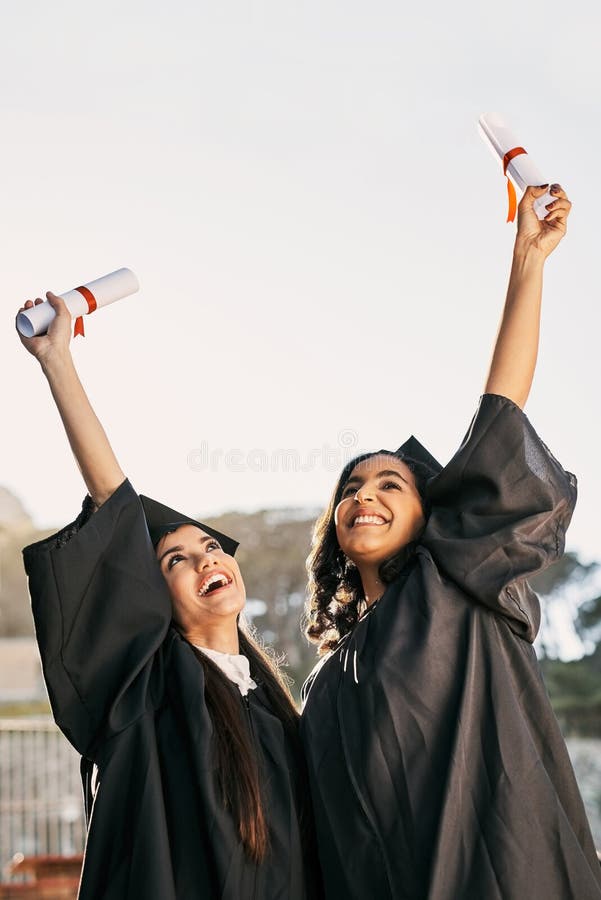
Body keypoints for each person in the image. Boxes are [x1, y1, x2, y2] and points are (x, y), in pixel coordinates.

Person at [301, 185, 601, 899]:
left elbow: (499, 410)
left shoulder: (452, 585)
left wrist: (526, 261)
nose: (363, 495)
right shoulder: (321, 684)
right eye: (350, 487)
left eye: (388, 486)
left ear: (431, 520)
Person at [17, 295, 322, 900]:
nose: (206, 557)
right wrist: (58, 362)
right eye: (174, 559)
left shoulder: (280, 713)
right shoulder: (149, 685)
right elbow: (115, 502)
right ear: (145, 597)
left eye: (210, 545)